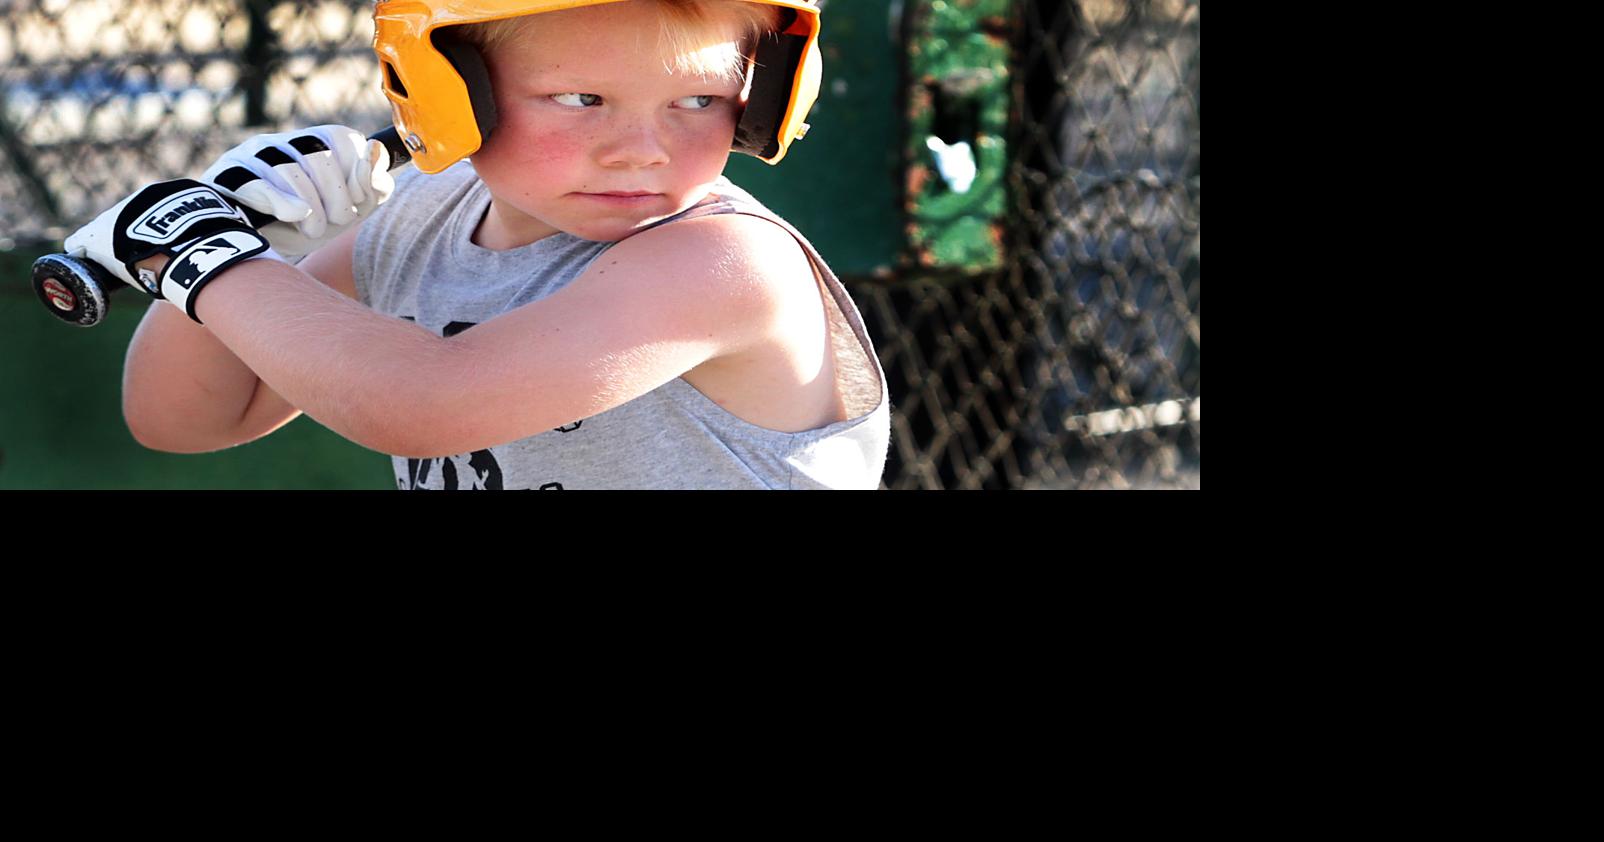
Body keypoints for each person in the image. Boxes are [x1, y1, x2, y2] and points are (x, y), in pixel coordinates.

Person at [67, 0, 891, 490]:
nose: (641, 149)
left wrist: (203, 259)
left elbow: (425, 406)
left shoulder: (724, 264)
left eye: (700, 100)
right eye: (580, 97)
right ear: (448, 95)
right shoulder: (423, 217)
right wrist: (248, 246)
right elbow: (184, 417)